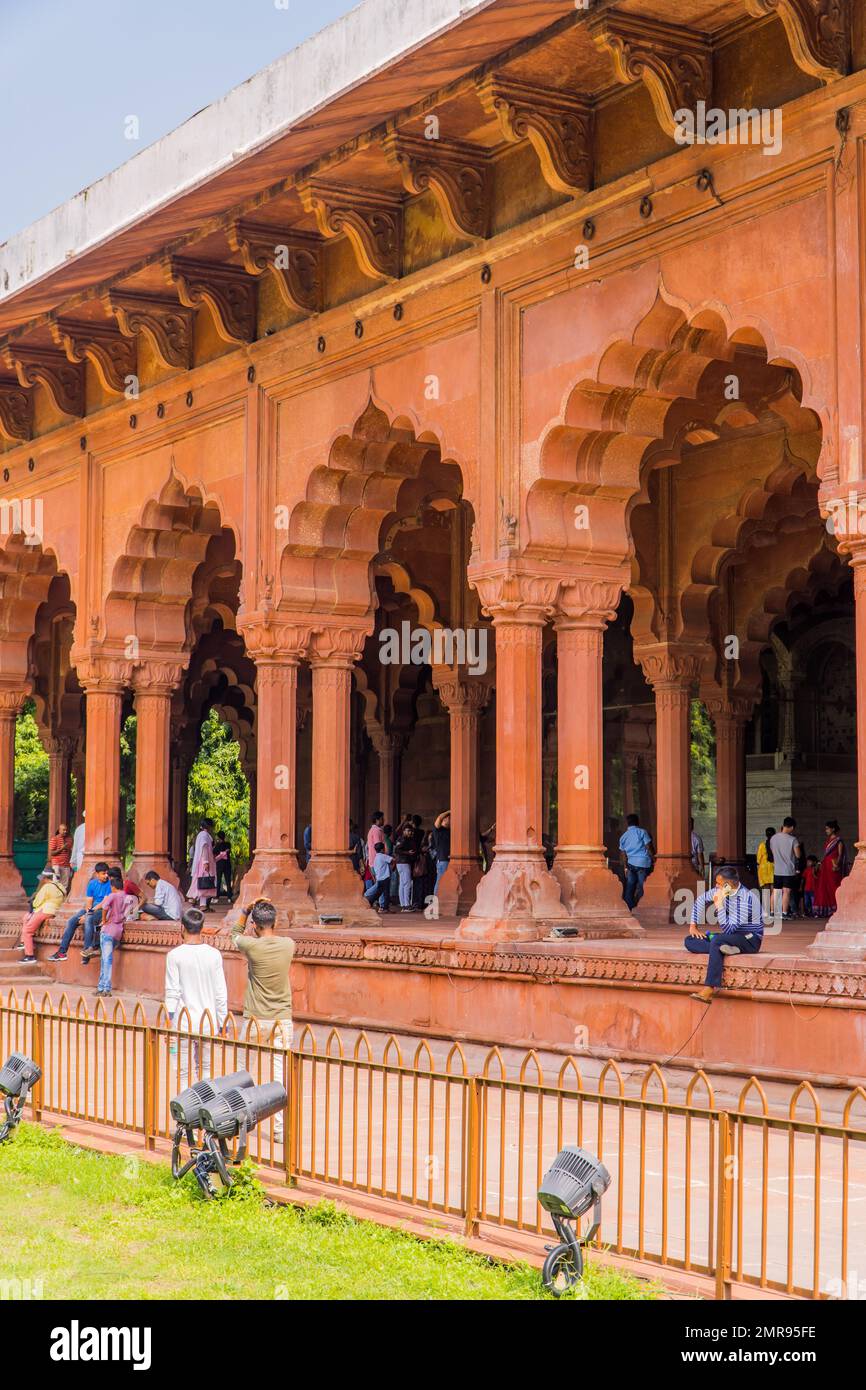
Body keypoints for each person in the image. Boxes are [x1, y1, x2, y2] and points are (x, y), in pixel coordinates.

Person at [232, 898, 295, 1140]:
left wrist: (245, 910)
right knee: (279, 1073)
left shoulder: (251, 946)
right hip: (282, 1018)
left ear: (255, 925)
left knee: (244, 1073)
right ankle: (279, 1129)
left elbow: (235, 933)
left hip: (256, 1017)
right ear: (275, 921)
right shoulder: (288, 944)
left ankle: (242, 1121)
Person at [164, 907, 229, 1089]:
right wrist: (223, 1022)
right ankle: (204, 1108)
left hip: (183, 1020)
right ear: (202, 927)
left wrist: (168, 1019)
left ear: (182, 928)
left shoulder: (175, 955)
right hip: (207, 1021)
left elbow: (172, 991)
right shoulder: (214, 954)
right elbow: (220, 992)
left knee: (182, 1071)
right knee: (205, 1068)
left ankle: (186, 1110)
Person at [685, 865, 764, 1002]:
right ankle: (725, 950)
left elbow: (728, 929)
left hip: (749, 940)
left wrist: (719, 906)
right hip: (730, 938)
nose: (716, 886)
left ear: (728, 885)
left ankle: (709, 988)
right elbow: (700, 900)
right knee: (690, 940)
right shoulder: (720, 890)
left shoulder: (746, 899)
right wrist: (693, 926)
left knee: (717, 941)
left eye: (719, 884)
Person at [49, 861, 112, 963]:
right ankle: (62, 952)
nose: (106, 875)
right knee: (71, 921)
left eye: (107, 873)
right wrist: (88, 910)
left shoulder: (109, 884)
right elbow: (89, 901)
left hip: (102, 910)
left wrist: (88, 914)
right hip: (92, 908)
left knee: (88, 920)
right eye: (103, 873)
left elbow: (105, 902)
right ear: (97, 874)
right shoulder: (92, 884)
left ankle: (86, 952)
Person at [96, 869, 136, 997]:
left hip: (108, 929)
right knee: (105, 958)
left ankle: (105, 988)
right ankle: (101, 986)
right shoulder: (128, 897)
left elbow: (104, 907)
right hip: (118, 931)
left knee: (106, 960)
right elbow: (130, 912)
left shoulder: (113, 895)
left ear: (113, 886)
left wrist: (103, 920)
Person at [18, 868, 67, 964]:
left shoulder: (47, 887)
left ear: (45, 878)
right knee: (27, 917)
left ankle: (30, 955)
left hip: (45, 910)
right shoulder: (61, 886)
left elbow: (37, 902)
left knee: (27, 931)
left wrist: (33, 904)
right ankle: (25, 943)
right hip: (55, 911)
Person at [619, 813, 654, 910]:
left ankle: (629, 908)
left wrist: (625, 867)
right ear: (638, 822)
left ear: (627, 823)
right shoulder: (642, 832)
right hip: (643, 863)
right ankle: (642, 907)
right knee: (643, 886)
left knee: (630, 887)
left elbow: (623, 855)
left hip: (630, 865)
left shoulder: (623, 837)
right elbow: (649, 847)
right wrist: (655, 859)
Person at [769, 818, 803, 920]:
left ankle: (772, 913)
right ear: (792, 827)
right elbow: (798, 855)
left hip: (777, 870)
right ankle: (784, 913)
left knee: (775, 891)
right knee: (786, 891)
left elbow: (772, 850)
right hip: (788, 870)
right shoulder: (793, 839)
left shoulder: (773, 838)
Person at [814, 819, 847, 918]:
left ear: (833, 829)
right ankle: (825, 910)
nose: (826, 831)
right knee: (824, 887)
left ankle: (836, 908)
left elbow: (840, 854)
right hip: (826, 866)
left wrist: (836, 865)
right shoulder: (828, 840)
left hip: (833, 866)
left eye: (827, 829)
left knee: (834, 886)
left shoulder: (838, 841)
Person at [188, 818, 217, 911]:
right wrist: (205, 862)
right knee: (203, 881)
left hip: (203, 861)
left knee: (200, 881)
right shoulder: (204, 835)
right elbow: (204, 848)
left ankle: (196, 900)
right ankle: (201, 903)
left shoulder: (202, 835)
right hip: (203, 861)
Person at [394, 818, 417, 911]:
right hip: (404, 862)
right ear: (404, 831)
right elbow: (397, 850)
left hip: (400, 863)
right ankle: (407, 905)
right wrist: (408, 852)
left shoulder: (403, 838)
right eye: (408, 831)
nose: (410, 832)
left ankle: (403, 904)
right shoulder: (403, 839)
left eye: (411, 831)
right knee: (407, 883)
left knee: (402, 884)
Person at [365, 841, 394, 912]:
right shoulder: (383, 856)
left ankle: (370, 902)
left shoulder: (376, 858)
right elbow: (393, 860)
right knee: (386, 893)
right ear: (382, 849)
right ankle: (385, 908)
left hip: (379, 878)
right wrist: (393, 867)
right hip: (385, 877)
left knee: (378, 893)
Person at [431, 812, 451, 896]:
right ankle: (436, 901)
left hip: (448, 859)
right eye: (450, 819)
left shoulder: (449, 831)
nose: (451, 821)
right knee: (440, 881)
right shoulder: (438, 830)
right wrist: (450, 811)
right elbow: (439, 817)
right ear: (445, 819)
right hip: (443, 860)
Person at [756, 826, 775, 908]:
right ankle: (773, 909)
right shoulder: (776, 845)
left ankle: (766, 909)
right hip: (774, 868)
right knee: (774, 890)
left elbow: (758, 859)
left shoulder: (762, 845)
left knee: (765, 891)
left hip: (763, 870)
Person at [213, 830, 233, 902]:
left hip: (219, 864)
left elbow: (214, 852)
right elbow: (228, 851)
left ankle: (217, 896)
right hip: (227, 864)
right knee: (228, 881)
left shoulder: (217, 845)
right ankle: (229, 897)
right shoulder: (228, 844)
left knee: (218, 880)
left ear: (218, 837)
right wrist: (225, 852)